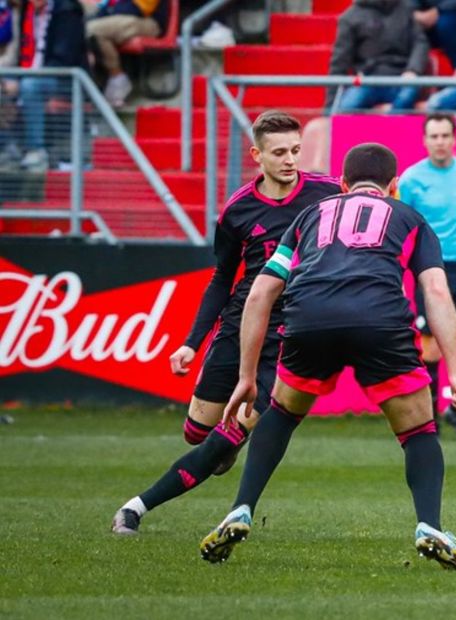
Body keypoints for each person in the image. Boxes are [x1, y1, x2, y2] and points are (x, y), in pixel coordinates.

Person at [199, 143, 456, 571]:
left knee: (282, 412)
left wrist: (247, 376)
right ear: (395, 186)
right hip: (378, 321)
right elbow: (436, 291)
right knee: (419, 430)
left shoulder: (310, 215)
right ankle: (429, 525)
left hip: (310, 317)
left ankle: (241, 509)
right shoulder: (409, 218)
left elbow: (260, 292)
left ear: (343, 185)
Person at [110, 112, 343, 535]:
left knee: (230, 434)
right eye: (279, 152)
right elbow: (222, 279)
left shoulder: (327, 194)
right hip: (239, 327)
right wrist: (191, 343)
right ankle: (220, 444)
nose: (290, 160)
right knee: (197, 432)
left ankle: (134, 509)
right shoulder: (239, 209)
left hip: (290, 333)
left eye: (295, 150)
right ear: (257, 155)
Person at [398, 114, 456, 442]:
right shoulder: (411, 179)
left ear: (454, 139)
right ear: (425, 140)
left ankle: (454, 409)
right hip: (428, 270)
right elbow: (401, 226)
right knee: (431, 352)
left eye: (444, 135)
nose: (439, 141)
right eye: (433, 136)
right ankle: (429, 423)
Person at [12, 0, 86, 173]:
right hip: (31, 72)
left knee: (30, 86)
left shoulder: (68, 10)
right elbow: (21, 53)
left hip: (65, 79)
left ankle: (36, 150)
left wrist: (24, 78)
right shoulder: (27, 10)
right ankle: (9, 148)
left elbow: (65, 58)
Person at [327, 0, 429, 113]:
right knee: (347, 107)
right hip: (366, 79)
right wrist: (330, 109)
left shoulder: (407, 10)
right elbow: (339, 64)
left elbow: (420, 43)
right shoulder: (350, 17)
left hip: (402, 77)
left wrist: (413, 70)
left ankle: (390, 126)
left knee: (407, 95)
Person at [85, 0, 167, 107]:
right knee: (81, 25)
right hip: (119, 17)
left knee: (90, 29)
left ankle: (118, 78)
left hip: (147, 21)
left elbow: (134, 9)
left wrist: (108, 12)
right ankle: (110, 79)